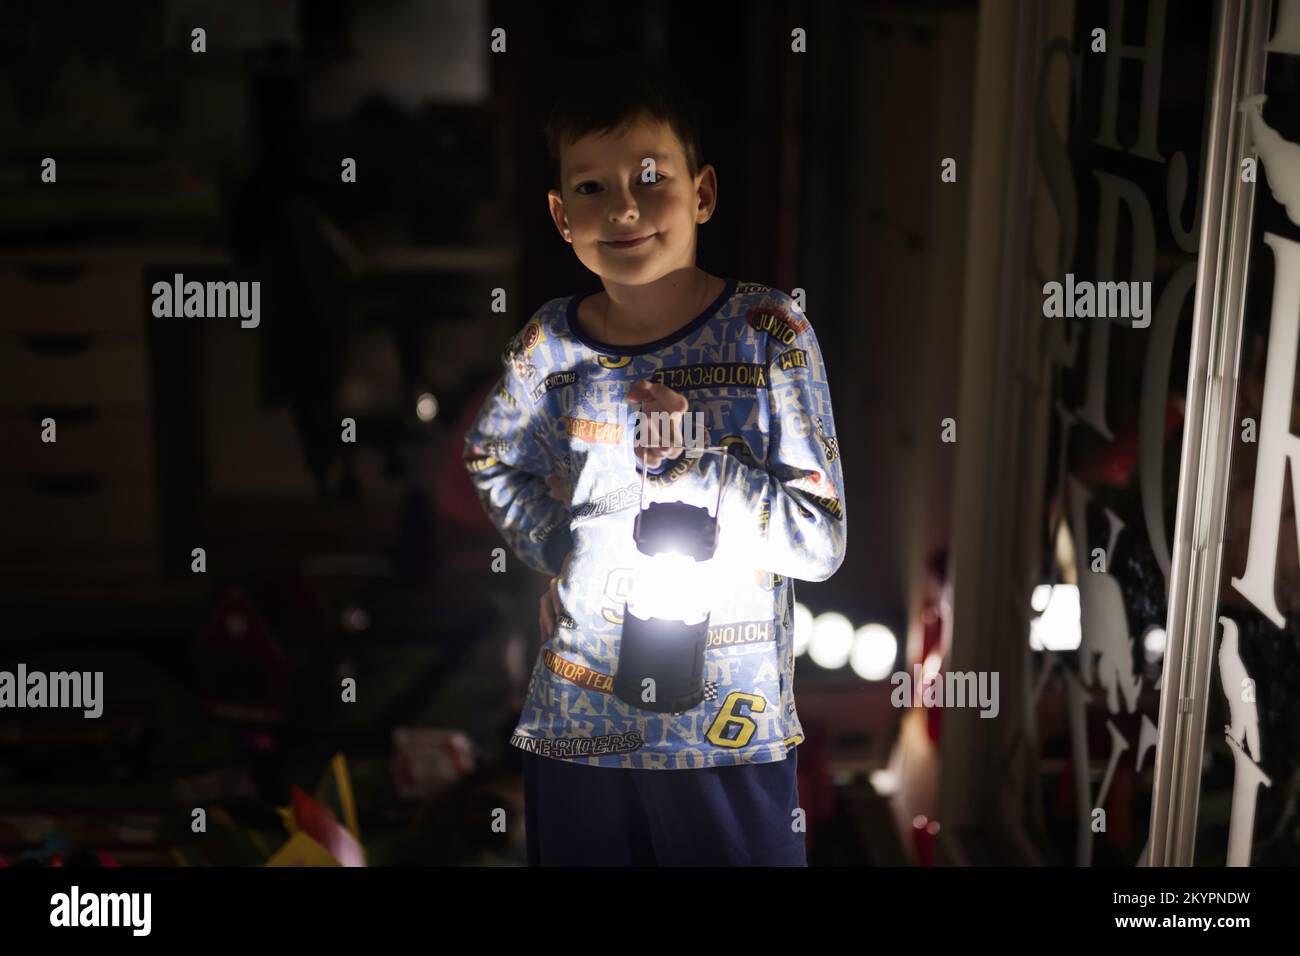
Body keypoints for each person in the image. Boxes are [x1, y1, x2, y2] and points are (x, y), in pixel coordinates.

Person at [462, 65, 847, 866]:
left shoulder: (768, 332)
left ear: (702, 194)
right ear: (562, 217)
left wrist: (699, 467)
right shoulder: (551, 348)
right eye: (593, 189)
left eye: (650, 177)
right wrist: (562, 553)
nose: (625, 208)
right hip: (579, 726)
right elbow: (493, 455)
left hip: (724, 731)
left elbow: (818, 542)